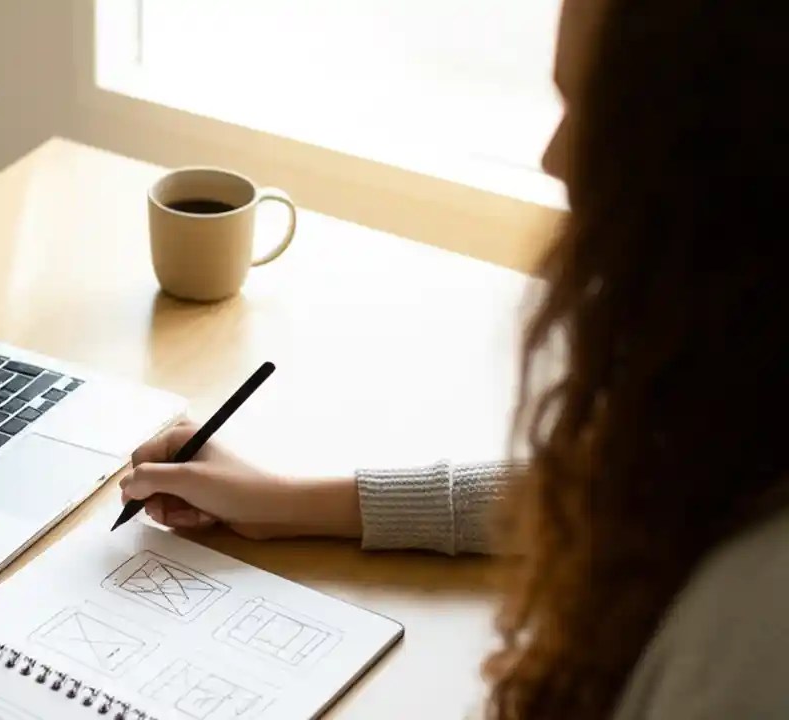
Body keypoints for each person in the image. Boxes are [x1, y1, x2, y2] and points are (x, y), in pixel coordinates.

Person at [121, 0, 789, 717]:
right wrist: (290, 503)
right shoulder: (747, 431)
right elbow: (632, 486)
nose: (555, 157)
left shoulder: (754, 625)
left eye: (593, 109)